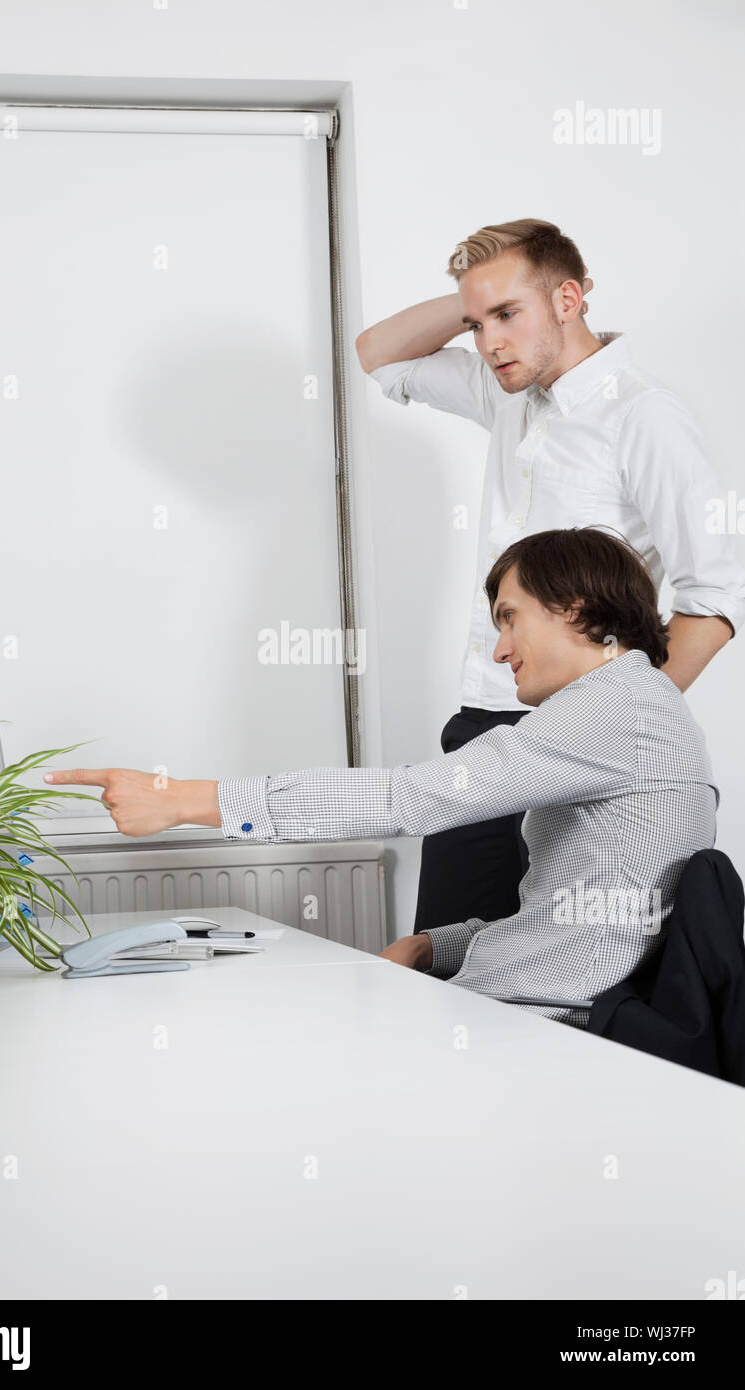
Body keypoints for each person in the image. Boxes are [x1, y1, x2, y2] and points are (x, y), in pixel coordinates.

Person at [44, 527, 720, 1030]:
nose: (501, 649)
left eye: (510, 618)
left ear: (574, 607)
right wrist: (435, 944)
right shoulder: (634, 706)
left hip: (524, 1031)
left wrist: (182, 800)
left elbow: (413, 798)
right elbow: (563, 920)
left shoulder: (614, 705)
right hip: (511, 1013)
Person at [354, 218, 744, 941]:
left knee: (569, 971)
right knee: (442, 961)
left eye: (509, 314)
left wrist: (623, 715)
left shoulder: (644, 417)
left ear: (570, 299)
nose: (487, 341)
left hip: (581, 737)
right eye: (476, 324)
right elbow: (377, 355)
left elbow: (715, 597)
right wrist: (480, 294)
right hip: (483, 727)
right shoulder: (501, 389)